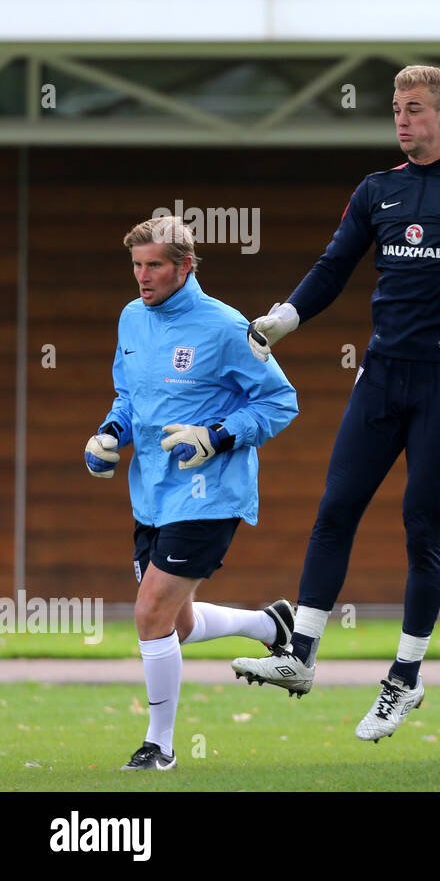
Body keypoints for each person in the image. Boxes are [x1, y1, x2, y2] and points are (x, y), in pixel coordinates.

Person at [232, 64, 440, 742]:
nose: (403, 119)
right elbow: (333, 269)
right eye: (396, 109)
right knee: (335, 508)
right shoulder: (376, 191)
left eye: (415, 109)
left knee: (423, 524)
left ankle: (405, 680)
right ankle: (299, 655)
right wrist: (285, 317)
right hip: (382, 373)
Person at [86, 215, 299, 771]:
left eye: (154, 264)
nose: (142, 276)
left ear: (185, 265)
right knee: (173, 624)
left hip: (209, 494)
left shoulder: (227, 327)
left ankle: (160, 745)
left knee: (151, 612)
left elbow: (280, 403)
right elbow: (129, 397)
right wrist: (110, 434)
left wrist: (218, 435)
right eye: (136, 265)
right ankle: (268, 625)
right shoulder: (131, 320)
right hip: (151, 494)